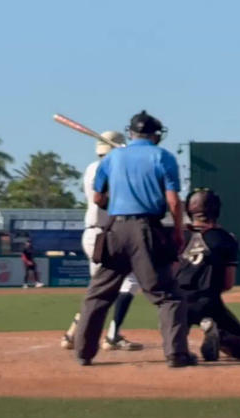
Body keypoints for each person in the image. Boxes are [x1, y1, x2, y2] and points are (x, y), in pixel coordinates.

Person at [73, 110, 194, 368]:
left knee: (98, 295)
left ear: (130, 133)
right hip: (146, 229)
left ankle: (83, 353)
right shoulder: (163, 157)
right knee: (167, 296)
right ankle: (176, 354)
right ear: (155, 135)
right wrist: (177, 232)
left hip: (114, 230)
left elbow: (98, 199)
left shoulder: (112, 158)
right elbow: (173, 201)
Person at [60, 132, 143, 351]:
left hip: (93, 233)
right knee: (130, 280)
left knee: (100, 289)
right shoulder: (111, 170)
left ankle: (72, 333)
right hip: (107, 235)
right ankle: (113, 335)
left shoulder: (91, 168)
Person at [176, 188, 240, 361]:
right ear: (216, 210)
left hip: (178, 302)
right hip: (209, 301)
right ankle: (216, 331)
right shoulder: (226, 238)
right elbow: (228, 283)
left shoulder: (178, 236)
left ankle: (178, 342)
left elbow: (171, 272)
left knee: (175, 332)